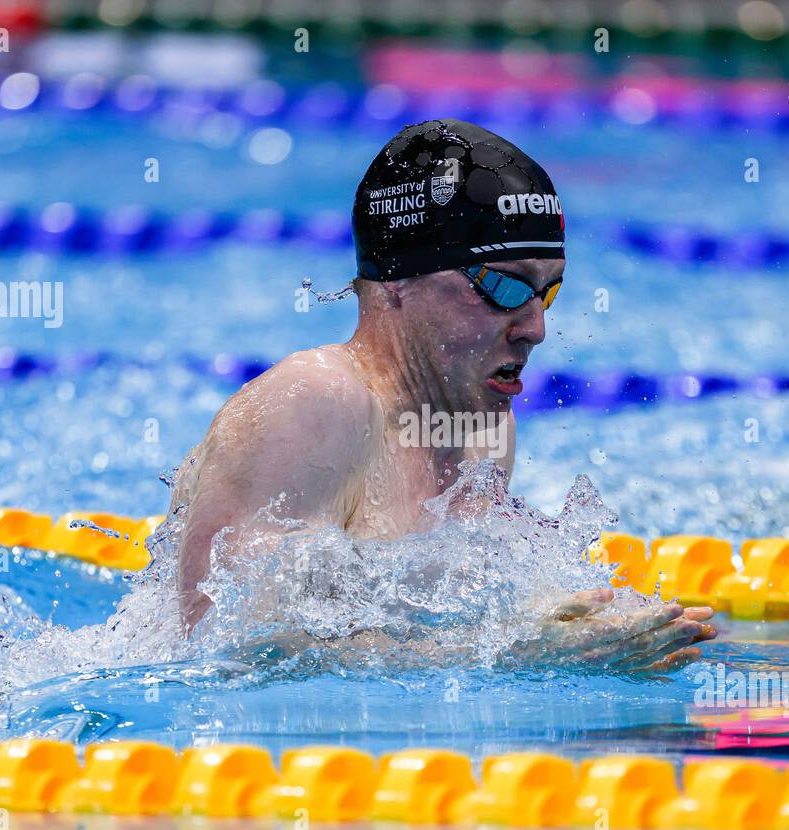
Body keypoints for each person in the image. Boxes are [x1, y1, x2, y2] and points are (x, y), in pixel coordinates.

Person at [170, 119, 716, 668]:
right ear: (399, 279)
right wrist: (517, 658)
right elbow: (226, 651)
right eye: (503, 286)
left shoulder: (480, 426)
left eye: (548, 292)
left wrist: (587, 638)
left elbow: (435, 625)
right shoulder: (312, 405)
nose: (535, 328)